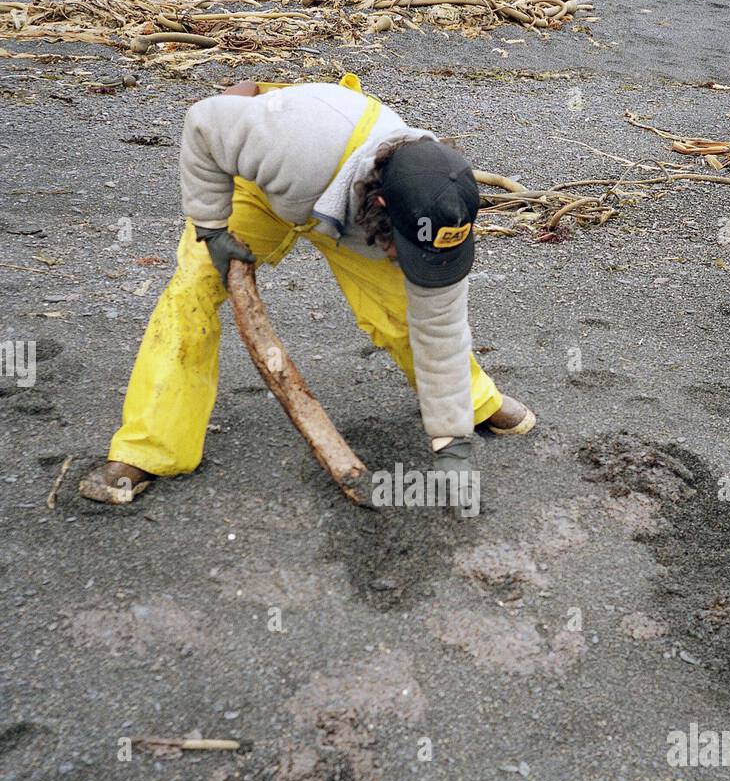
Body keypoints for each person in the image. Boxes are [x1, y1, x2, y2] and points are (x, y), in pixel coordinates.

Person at [80, 74, 535, 505]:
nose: (407, 260)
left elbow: (441, 329)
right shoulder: (289, 142)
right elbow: (204, 123)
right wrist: (212, 226)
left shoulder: (437, 207)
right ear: (378, 206)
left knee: (402, 313)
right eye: (405, 250)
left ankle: (474, 405)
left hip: (350, 212)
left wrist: (451, 443)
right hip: (271, 187)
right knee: (191, 295)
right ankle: (147, 449)